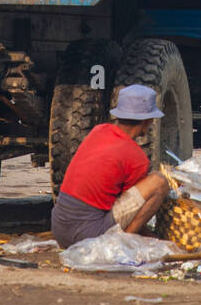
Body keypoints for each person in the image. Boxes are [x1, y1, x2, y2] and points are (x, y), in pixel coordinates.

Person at [50, 84, 172, 249]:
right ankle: (125, 242)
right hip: (88, 235)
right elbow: (133, 210)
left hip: (60, 231)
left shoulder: (99, 131)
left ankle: (126, 238)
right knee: (158, 182)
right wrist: (152, 238)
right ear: (148, 121)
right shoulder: (137, 157)